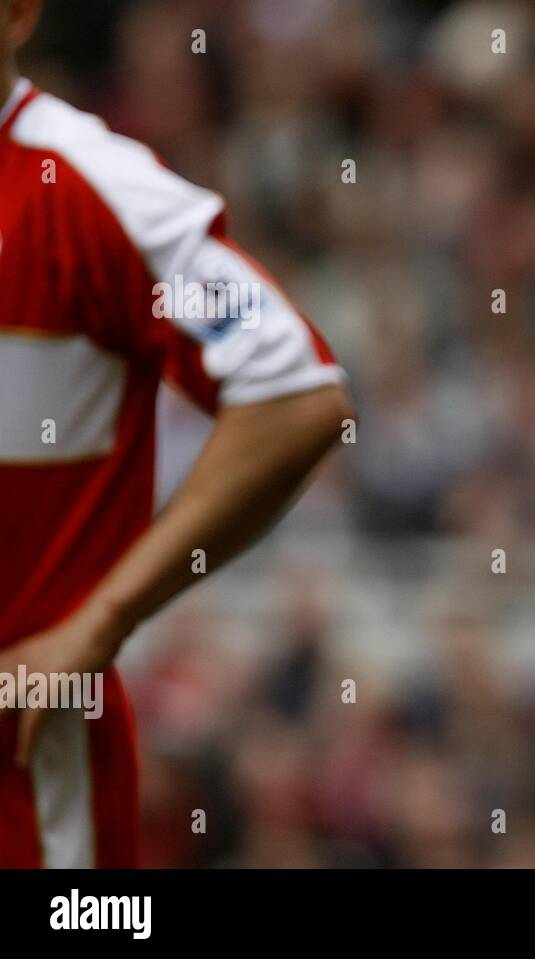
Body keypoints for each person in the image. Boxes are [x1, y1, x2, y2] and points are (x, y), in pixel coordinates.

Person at [0, 0, 352, 866]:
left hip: (28, 795)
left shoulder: (93, 189)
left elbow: (296, 392)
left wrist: (102, 618)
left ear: (19, 13)